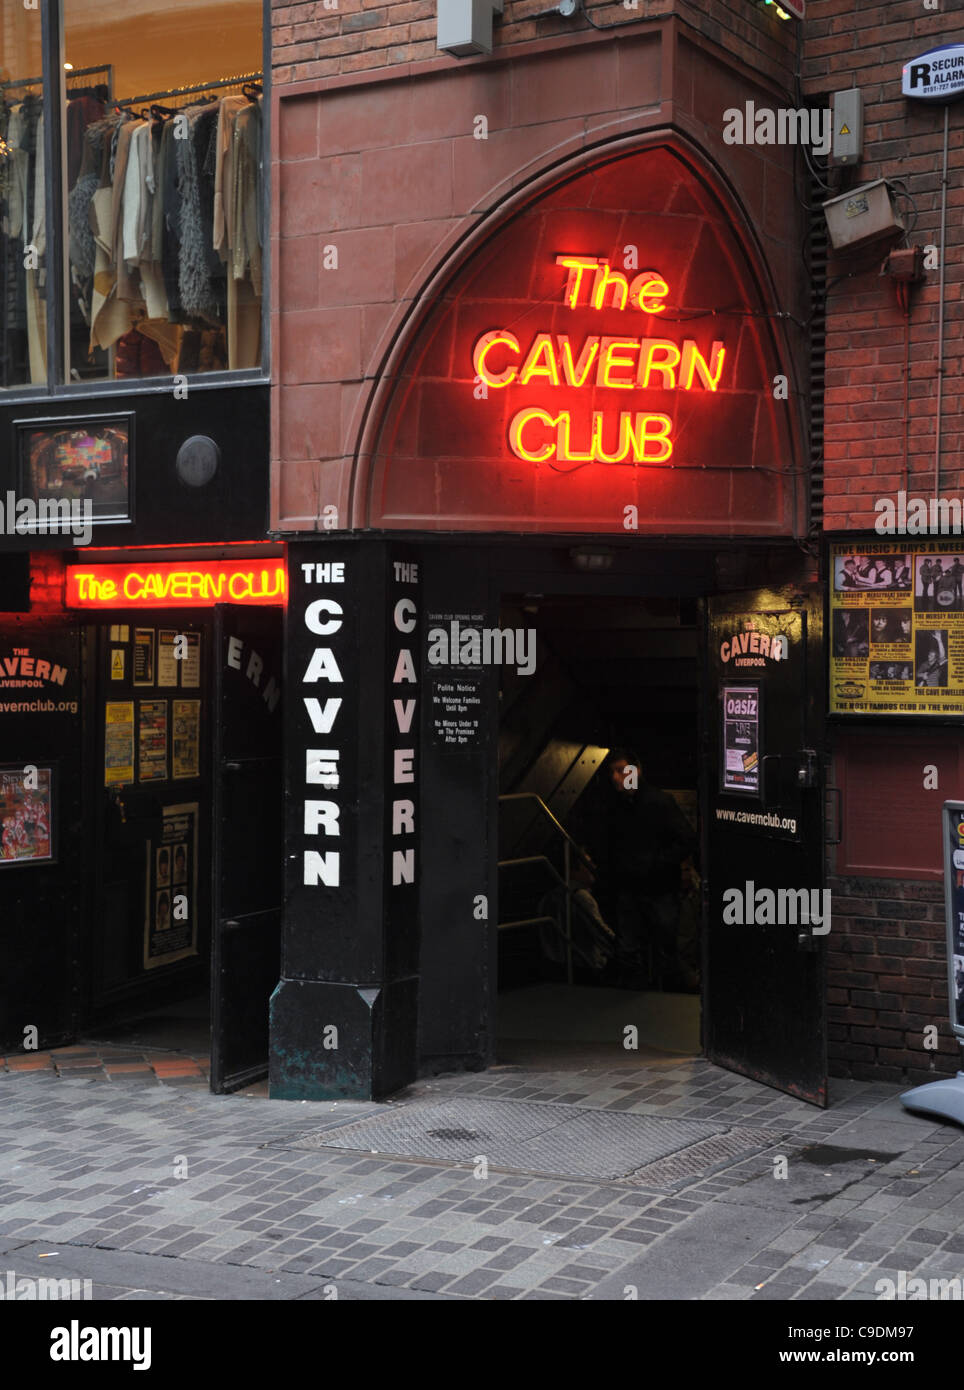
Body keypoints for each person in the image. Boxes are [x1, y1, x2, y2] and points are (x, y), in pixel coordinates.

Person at [589, 749, 698, 989]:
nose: (616, 777)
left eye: (621, 771)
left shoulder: (655, 803)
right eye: (613, 772)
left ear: (636, 771)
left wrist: (655, 863)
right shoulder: (622, 806)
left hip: (656, 886)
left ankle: (657, 999)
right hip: (636, 886)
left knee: (662, 947)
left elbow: (687, 839)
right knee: (636, 947)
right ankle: (647, 999)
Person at [536, 851, 616, 975]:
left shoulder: (547, 898)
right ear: (573, 869)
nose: (593, 867)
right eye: (587, 864)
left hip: (555, 968)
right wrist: (620, 947)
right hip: (584, 968)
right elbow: (601, 934)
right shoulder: (580, 897)